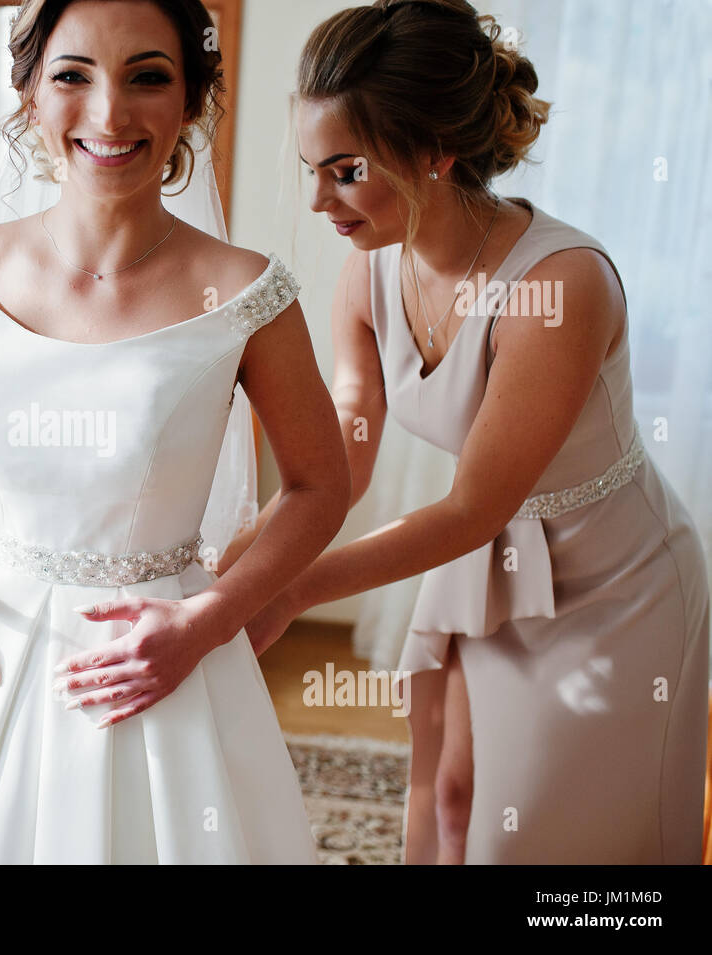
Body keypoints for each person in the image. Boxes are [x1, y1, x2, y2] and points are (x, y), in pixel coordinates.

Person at [0, 0, 349, 864]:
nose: (110, 114)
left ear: (193, 101)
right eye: (72, 75)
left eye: (148, 78)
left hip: (154, 652)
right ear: (27, 94)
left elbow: (319, 485)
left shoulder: (247, 291)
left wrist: (208, 621)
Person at [221, 0, 709, 863]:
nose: (317, 199)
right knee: (446, 802)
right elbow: (341, 459)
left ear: (435, 152)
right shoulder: (369, 271)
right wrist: (233, 565)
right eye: (310, 168)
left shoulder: (560, 285)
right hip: (479, 562)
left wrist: (289, 589)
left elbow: (477, 504)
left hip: (610, 585)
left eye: (344, 170)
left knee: (551, 838)